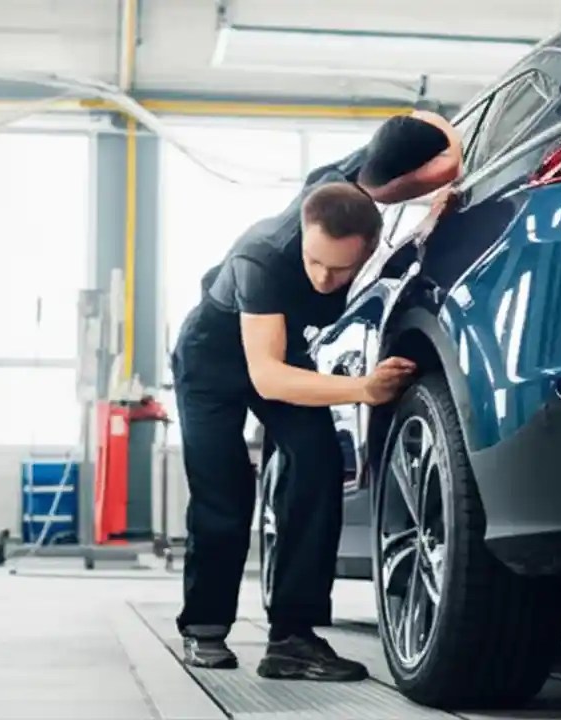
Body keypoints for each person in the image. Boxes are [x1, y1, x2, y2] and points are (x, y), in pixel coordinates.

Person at [171, 111, 463, 682]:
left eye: (340, 269)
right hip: (215, 358)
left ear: (371, 241)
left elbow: (430, 142)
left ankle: (294, 640)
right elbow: (269, 378)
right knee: (225, 491)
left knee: (318, 463)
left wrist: (438, 210)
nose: (326, 279)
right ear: (304, 234)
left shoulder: (361, 183)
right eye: (315, 264)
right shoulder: (262, 258)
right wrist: (364, 388)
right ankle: (205, 629)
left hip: (284, 352)